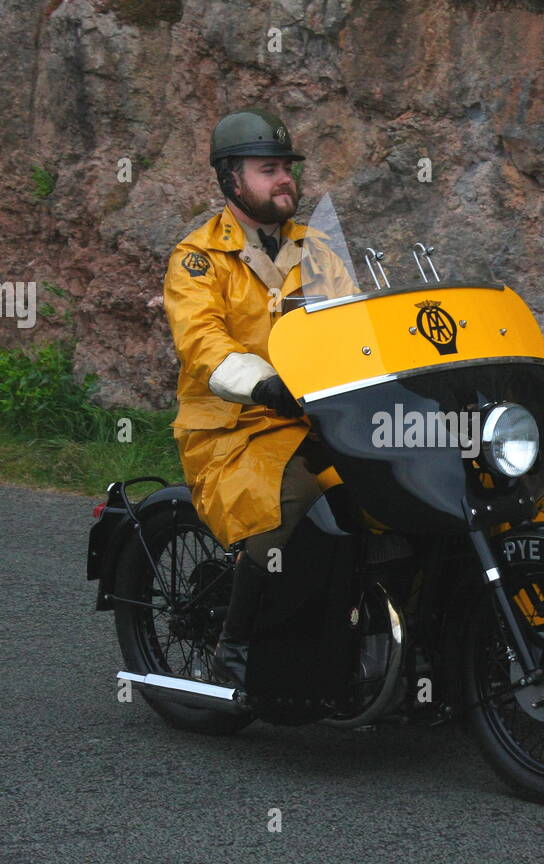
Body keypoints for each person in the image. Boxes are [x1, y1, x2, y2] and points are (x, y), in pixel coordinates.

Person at [163, 107, 356, 691]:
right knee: (290, 496)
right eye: (268, 169)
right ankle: (236, 649)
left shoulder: (316, 247)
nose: (284, 180)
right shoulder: (197, 259)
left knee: (386, 491)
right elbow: (204, 344)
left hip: (317, 419)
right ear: (230, 179)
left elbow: (355, 323)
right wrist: (264, 383)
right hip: (233, 427)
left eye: (287, 168)